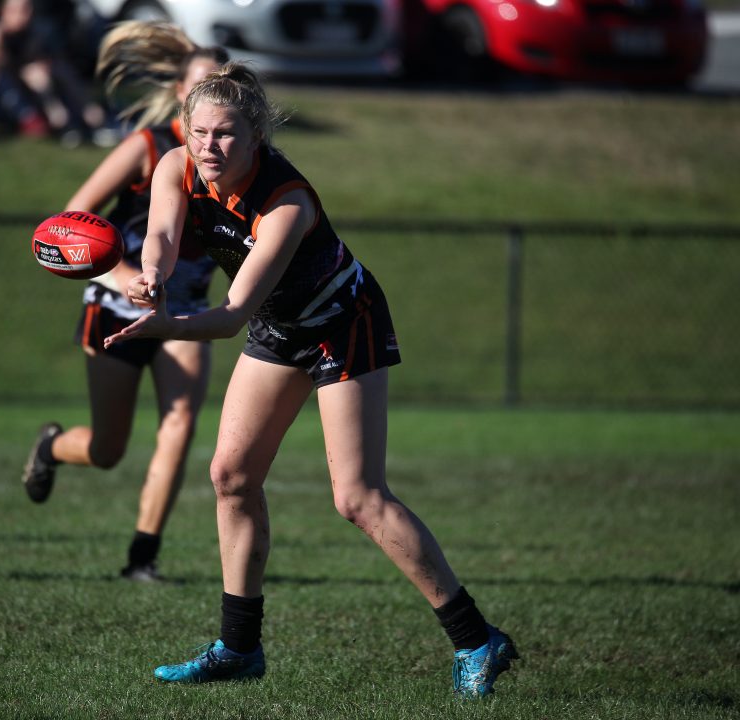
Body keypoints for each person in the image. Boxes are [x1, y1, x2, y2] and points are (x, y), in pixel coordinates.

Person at [103, 62, 519, 696]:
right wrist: (152, 278)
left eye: (226, 134)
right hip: (280, 326)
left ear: (257, 135)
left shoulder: (286, 201)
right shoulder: (176, 165)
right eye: (200, 132)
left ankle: (476, 638)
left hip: (342, 322)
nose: (210, 147)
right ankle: (239, 648)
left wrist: (162, 327)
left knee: (357, 498)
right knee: (231, 476)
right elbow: (160, 233)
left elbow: (230, 316)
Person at [20, 22, 228, 581]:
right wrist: (124, 275)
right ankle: (53, 447)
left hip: (182, 310)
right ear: (180, 92)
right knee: (108, 449)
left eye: (222, 85)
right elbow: (64, 224)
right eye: (201, 85)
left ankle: (142, 559)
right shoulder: (148, 147)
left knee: (180, 424)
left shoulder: (236, 159)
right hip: (116, 307)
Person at [0, 0, 108, 144]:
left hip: (38, 87)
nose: (19, 16)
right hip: (5, 95)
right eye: (13, 11)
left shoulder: (38, 32)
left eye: (24, 10)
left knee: (53, 74)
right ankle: (63, 122)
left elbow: (54, 61)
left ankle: (86, 116)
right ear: (2, 12)